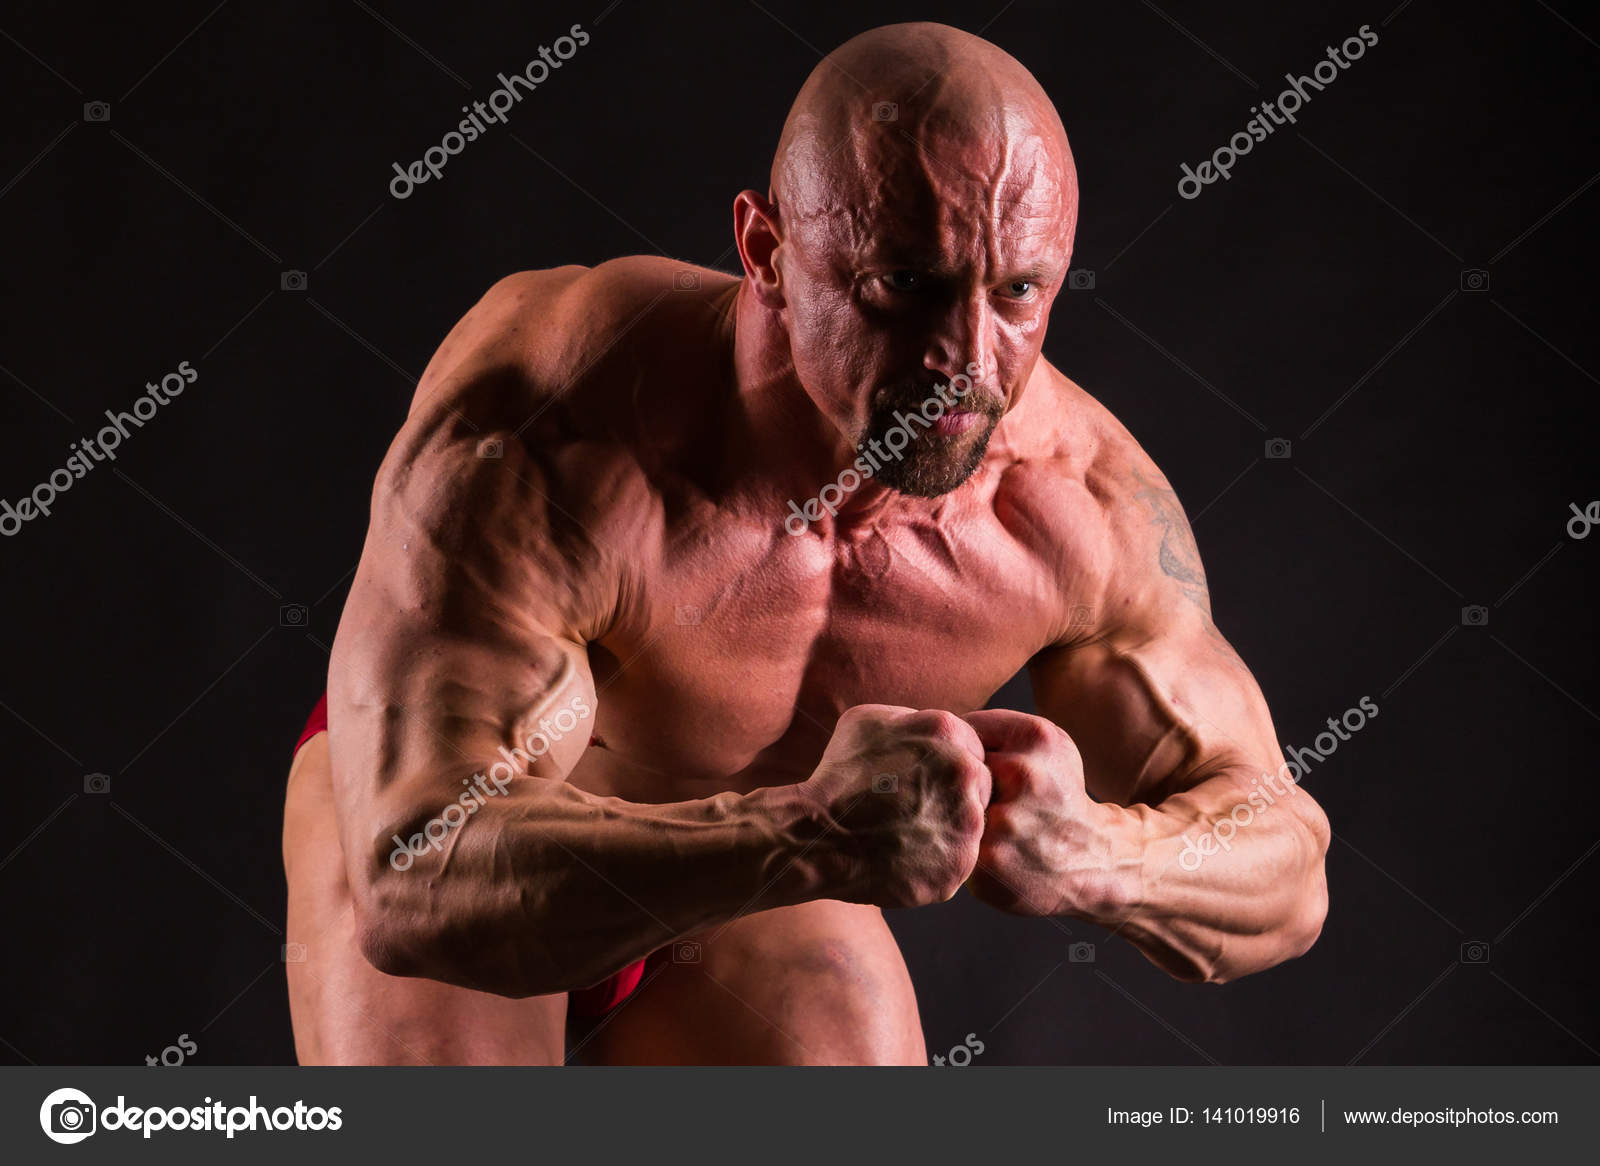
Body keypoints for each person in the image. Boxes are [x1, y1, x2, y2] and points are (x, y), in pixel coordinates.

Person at [282, 21, 1329, 1066]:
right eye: (903, 284)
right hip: (478, 831)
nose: (966, 361)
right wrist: (810, 834)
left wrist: (1103, 855)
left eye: (1017, 291)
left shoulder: (1075, 505)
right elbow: (414, 870)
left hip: (742, 864)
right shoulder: (556, 413)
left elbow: (1285, 869)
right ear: (767, 252)